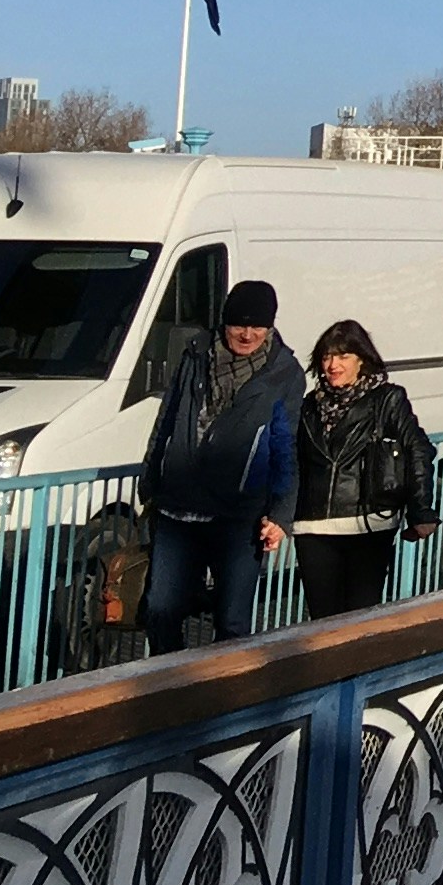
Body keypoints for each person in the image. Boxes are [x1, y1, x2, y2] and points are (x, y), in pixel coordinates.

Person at [139, 278, 298, 650]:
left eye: (257, 325)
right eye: (238, 324)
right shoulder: (196, 354)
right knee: (161, 609)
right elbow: (168, 417)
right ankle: (168, 692)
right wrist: (150, 479)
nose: (247, 334)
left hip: (239, 516)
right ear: (224, 323)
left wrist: (280, 513)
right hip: (179, 509)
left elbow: (285, 446)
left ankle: (224, 703)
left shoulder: (284, 373)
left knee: (232, 622)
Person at [292, 317, 438, 617]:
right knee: (323, 622)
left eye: (343, 356)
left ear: (362, 360)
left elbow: (417, 450)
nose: (332, 364)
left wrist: (421, 510)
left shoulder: (387, 399)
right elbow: (291, 462)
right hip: (313, 526)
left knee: (359, 617)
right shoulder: (308, 406)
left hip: (369, 523)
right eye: (327, 356)